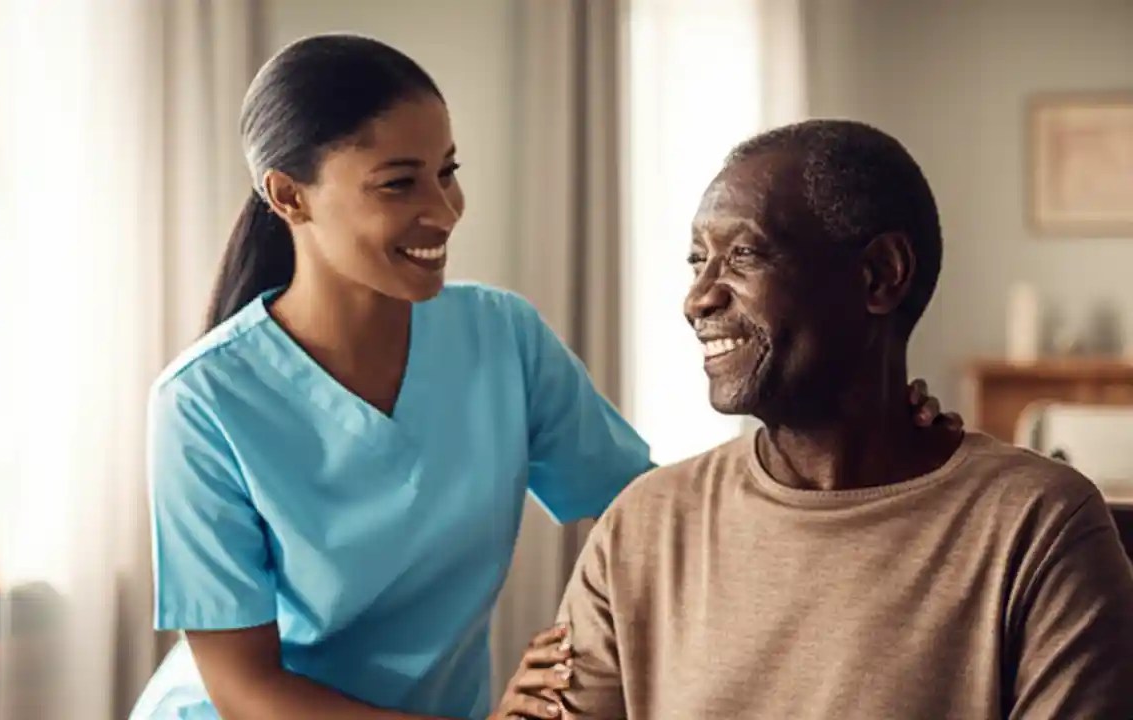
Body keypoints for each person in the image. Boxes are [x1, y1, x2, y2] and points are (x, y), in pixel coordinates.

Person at [130, 36, 958, 720]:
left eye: (448, 171)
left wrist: (869, 435)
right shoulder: (201, 402)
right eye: (400, 183)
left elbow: (654, 517)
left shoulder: (500, 336)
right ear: (289, 197)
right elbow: (245, 688)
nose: (445, 209)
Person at [554, 119, 1133, 719]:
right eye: (698, 259)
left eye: (743, 254)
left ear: (880, 274)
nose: (698, 297)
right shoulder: (641, 527)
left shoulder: (1039, 528)